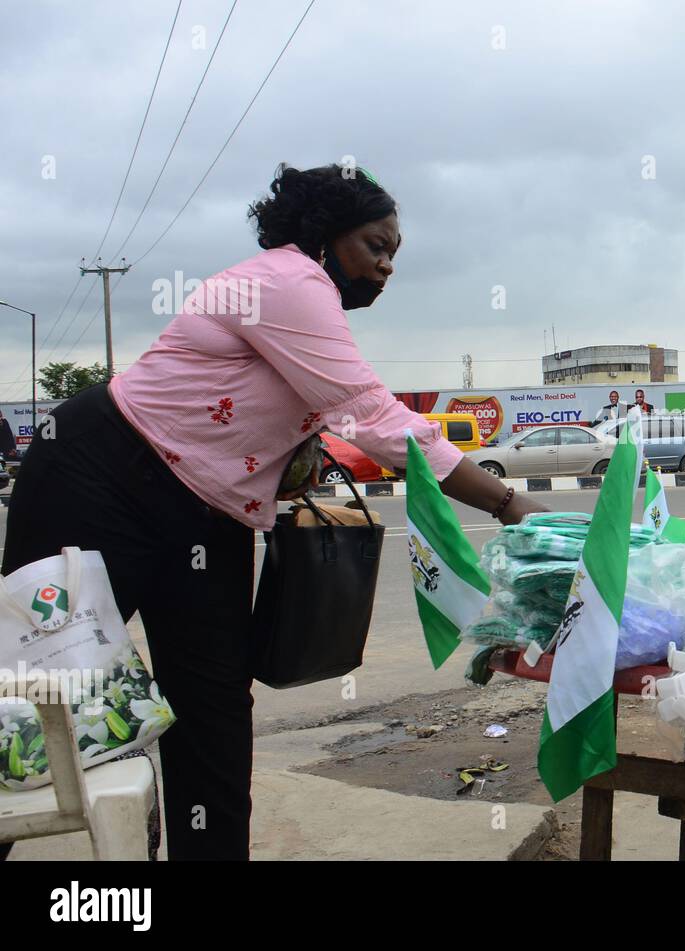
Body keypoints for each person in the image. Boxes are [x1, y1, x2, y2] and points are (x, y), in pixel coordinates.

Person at [0, 163, 545, 860]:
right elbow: (376, 418)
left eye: (393, 255)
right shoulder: (290, 281)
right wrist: (505, 500)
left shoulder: (305, 300)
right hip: (102, 477)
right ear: (324, 235)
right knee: (39, 700)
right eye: (375, 246)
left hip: (209, 518)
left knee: (214, 714)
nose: (385, 267)